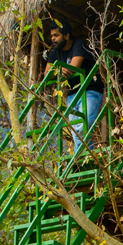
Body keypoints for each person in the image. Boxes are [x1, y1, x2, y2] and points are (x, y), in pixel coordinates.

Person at [45, 20, 104, 153]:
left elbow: (73, 67)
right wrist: (58, 70)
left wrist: (57, 69)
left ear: (66, 36)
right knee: (75, 130)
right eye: (52, 36)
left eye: (56, 35)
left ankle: (79, 159)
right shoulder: (54, 51)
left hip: (90, 90)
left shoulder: (79, 45)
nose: (53, 39)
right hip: (72, 93)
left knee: (84, 126)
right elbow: (46, 74)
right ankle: (86, 157)